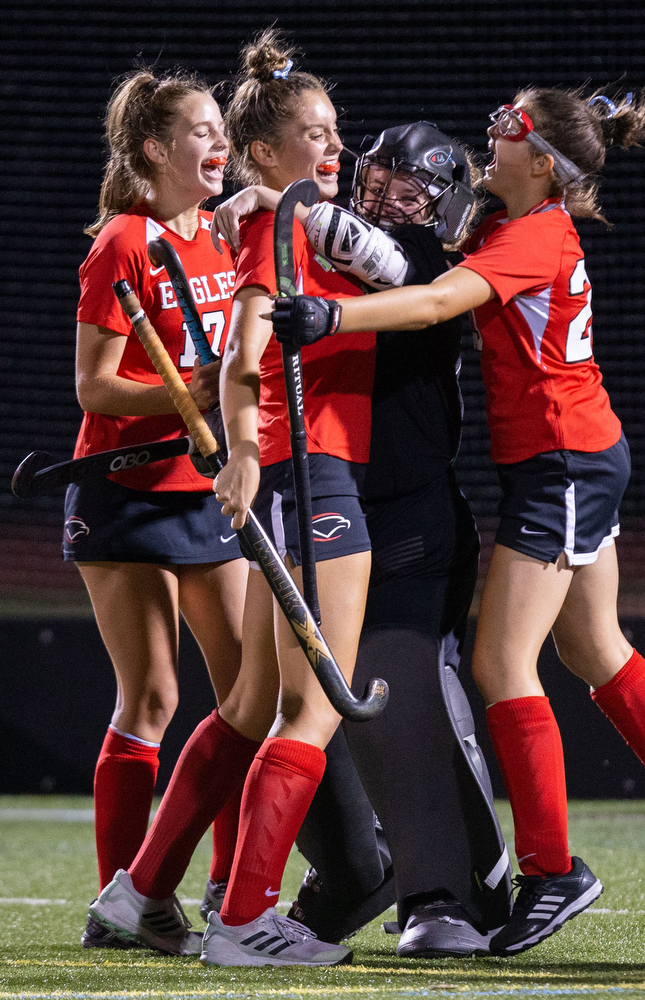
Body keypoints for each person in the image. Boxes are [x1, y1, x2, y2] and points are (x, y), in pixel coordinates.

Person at [272, 86, 645, 958]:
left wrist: (330, 312)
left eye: (507, 132)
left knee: (499, 662)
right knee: (594, 646)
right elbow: (416, 255)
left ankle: (553, 869)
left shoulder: (534, 233)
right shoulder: (509, 225)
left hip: (559, 463)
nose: (491, 141)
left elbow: (429, 302)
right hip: (579, 455)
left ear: (544, 164)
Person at [89, 29, 376, 968]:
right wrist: (237, 427)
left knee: (244, 703)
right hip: (227, 478)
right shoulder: (156, 239)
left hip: (231, 479)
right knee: (250, 704)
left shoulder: (249, 220)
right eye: (319, 136)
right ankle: (238, 911)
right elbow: (240, 354)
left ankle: (148, 894)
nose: (338, 152)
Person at [212, 121, 514, 956]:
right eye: (377, 181)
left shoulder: (428, 264)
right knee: (299, 704)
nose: (385, 199)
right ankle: (348, 876)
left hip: (409, 514)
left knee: (400, 694)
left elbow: (377, 262)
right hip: (328, 501)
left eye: (410, 191)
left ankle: (453, 892)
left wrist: (280, 199)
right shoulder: (318, 251)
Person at [65, 68, 248, 950]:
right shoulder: (122, 244)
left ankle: (223, 889)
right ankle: (123, 901)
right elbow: (94, 384)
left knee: (250, 685)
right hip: (126, 490)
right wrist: (187, 395)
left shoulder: (223, 234)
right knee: (151, 696)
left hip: (210, 488)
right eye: (204, 132)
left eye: (222, 131)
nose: (220, 146)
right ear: (154, 149)